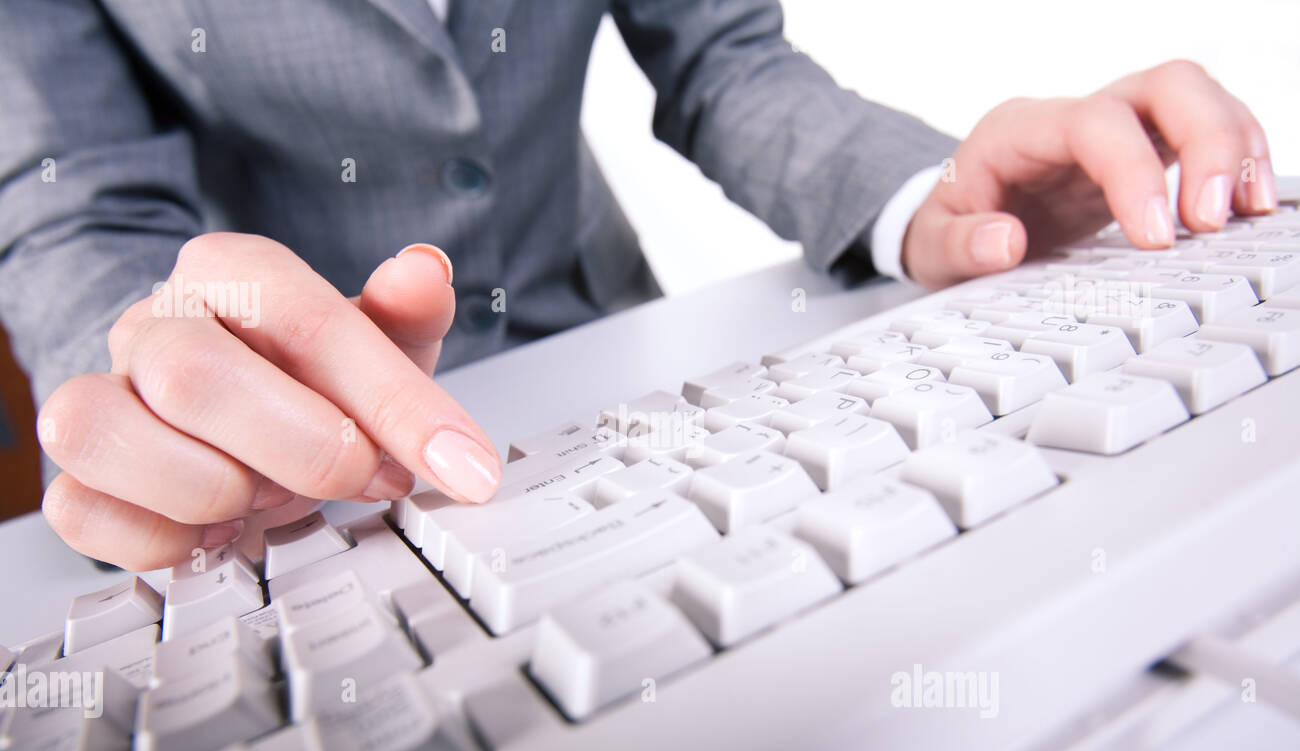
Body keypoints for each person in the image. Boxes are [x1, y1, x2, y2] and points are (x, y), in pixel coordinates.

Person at [0, 0, 1276, 572]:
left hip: (611, 353)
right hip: (289, 459)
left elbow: (724, 62)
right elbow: (74, 215)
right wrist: (163, 382)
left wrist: (933, 198)